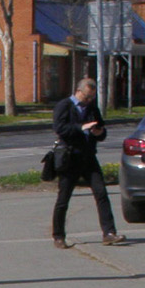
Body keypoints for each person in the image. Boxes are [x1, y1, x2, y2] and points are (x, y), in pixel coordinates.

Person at [52, 77, 126, 248]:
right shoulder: (65, 106)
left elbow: (101, 129)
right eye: (86, 97)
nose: (88, 101)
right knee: (64, 198)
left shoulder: (92, 108)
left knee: (101, 193)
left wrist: (98, 132)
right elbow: (60, 129)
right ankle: (58, 235)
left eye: (91, 97)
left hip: (88, 157)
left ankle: (109, 233)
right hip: (70, 157)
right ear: (78, 92)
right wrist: (81, 127)